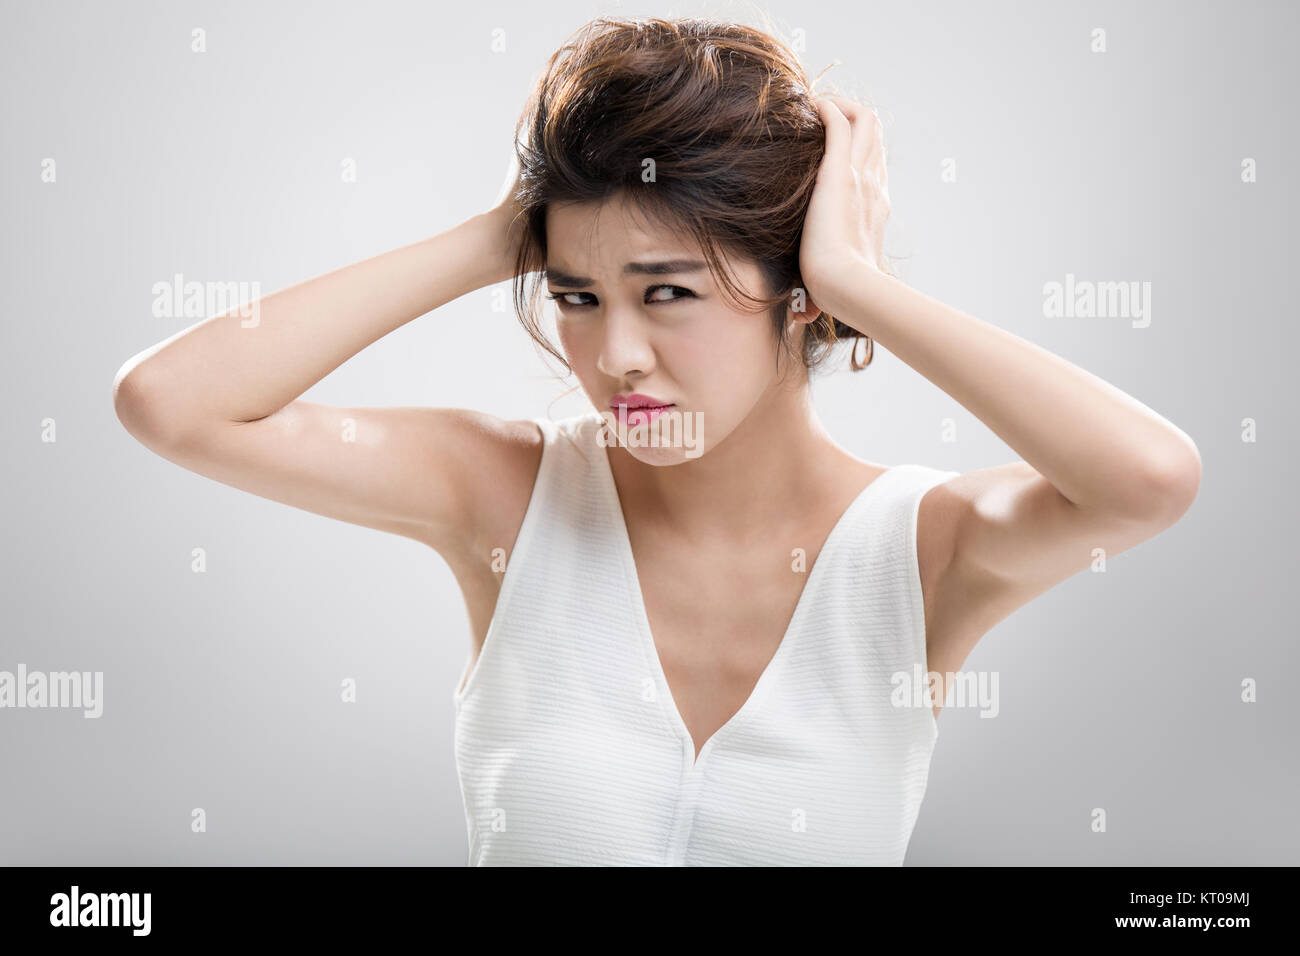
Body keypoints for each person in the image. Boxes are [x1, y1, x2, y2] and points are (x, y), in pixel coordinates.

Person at [112, 16, 1201, 865]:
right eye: (577, 295)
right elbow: (171, 401)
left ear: (796, 298)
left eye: (667, 291)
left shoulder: (921, 551)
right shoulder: (504, 492)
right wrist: (500, 232)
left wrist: (861, 283)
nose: (615, 354)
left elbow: (1147, 478)